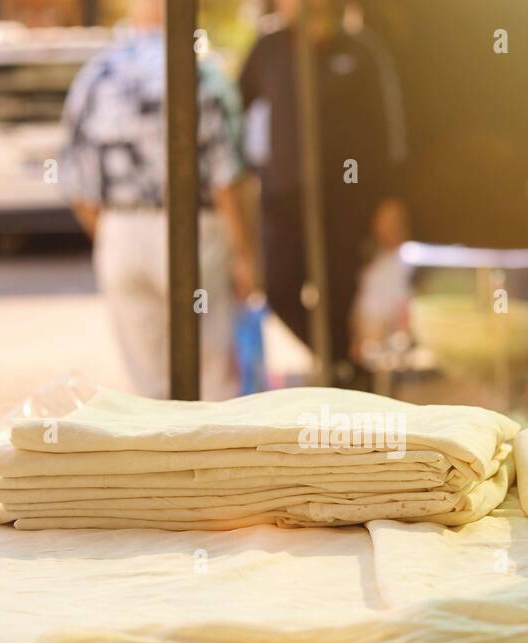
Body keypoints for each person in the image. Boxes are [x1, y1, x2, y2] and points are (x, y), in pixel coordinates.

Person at [60, 0, 256, 400]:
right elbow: (226, 180)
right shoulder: (204, 75)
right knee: (214, 380)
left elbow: (77, 185)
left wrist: (114, 234)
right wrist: (246, 256)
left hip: (120, 232)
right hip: (198, 234)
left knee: (149, 389)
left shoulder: (94, 76)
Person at [240, 0, 409, 386]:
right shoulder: (268, 49)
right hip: (282, 198)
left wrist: (389, 200)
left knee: (338, 290)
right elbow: (239, 110)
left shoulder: (361, 50)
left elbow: (387, 129)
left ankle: (344, 373)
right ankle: (338, 360)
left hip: (345, 200)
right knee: (279, 286)